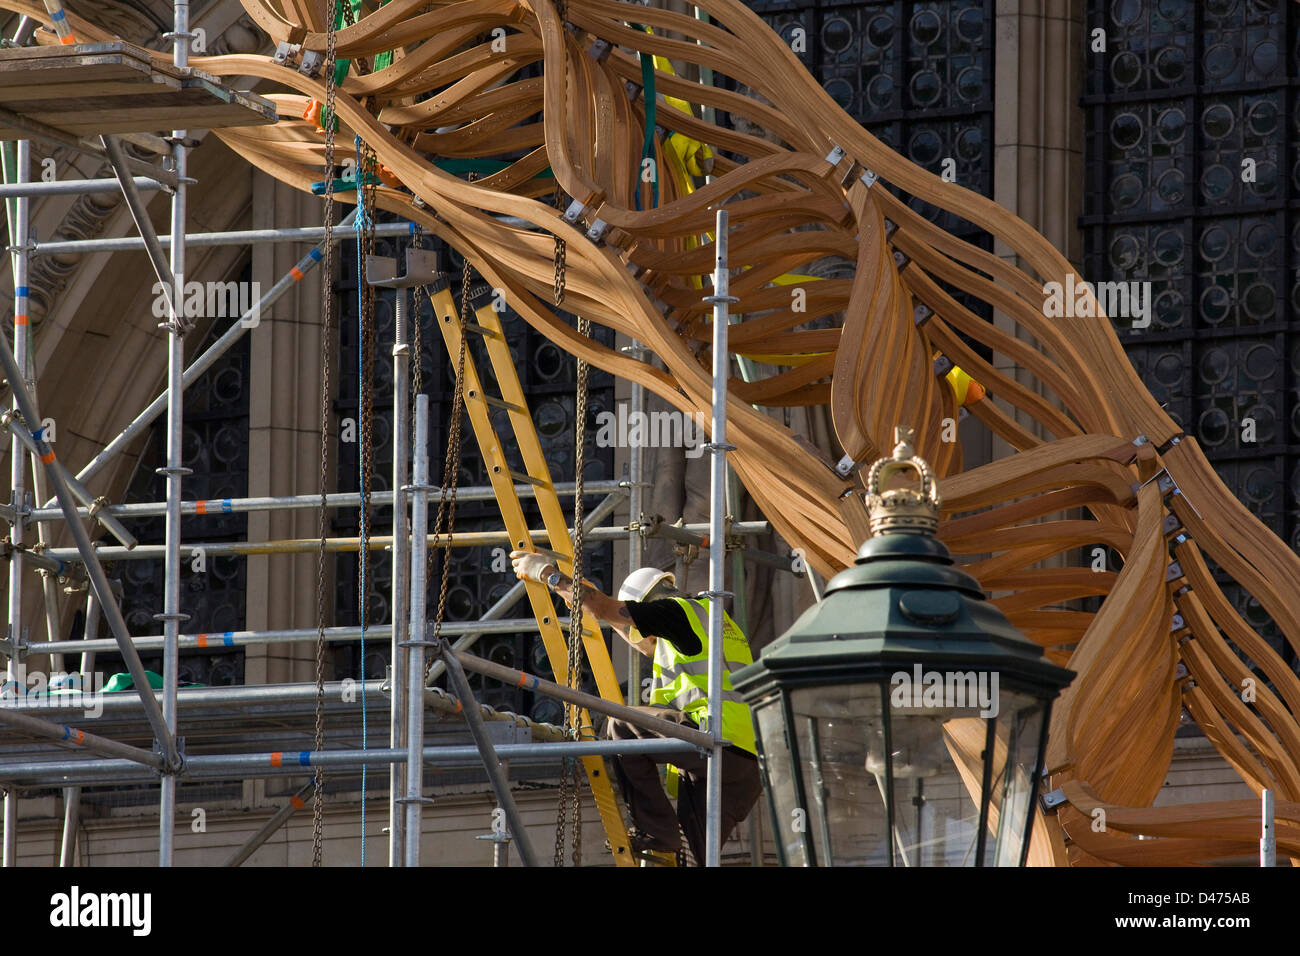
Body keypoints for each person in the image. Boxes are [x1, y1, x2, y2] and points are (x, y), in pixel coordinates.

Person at [510, 550, 762, 864]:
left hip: (714, 737)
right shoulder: (710, 622)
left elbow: (604, 609)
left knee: (622, 725)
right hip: (745, 765)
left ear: (646, 603)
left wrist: (550, 575)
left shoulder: (674, 611)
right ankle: (666, 837)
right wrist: (582, 598)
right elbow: (642, 640)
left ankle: (657, 831)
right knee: (689, 857)